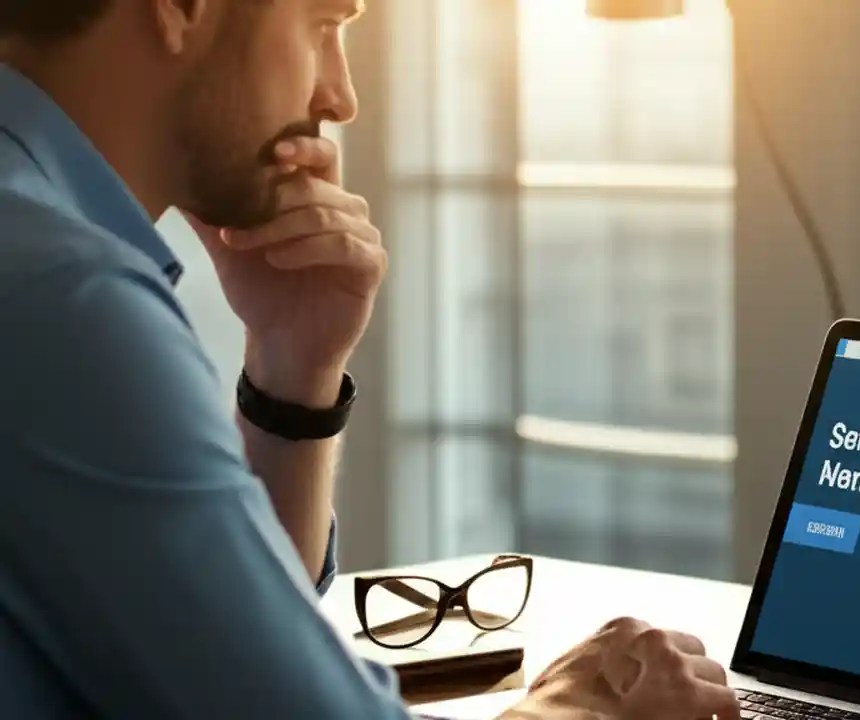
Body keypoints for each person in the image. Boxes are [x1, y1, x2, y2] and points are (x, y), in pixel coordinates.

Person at [0, 1, 740, 718]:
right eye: (321, 25)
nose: (340, 97)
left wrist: (294, 366)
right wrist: (580, 709)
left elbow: (234, 655)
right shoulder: (64, 298)